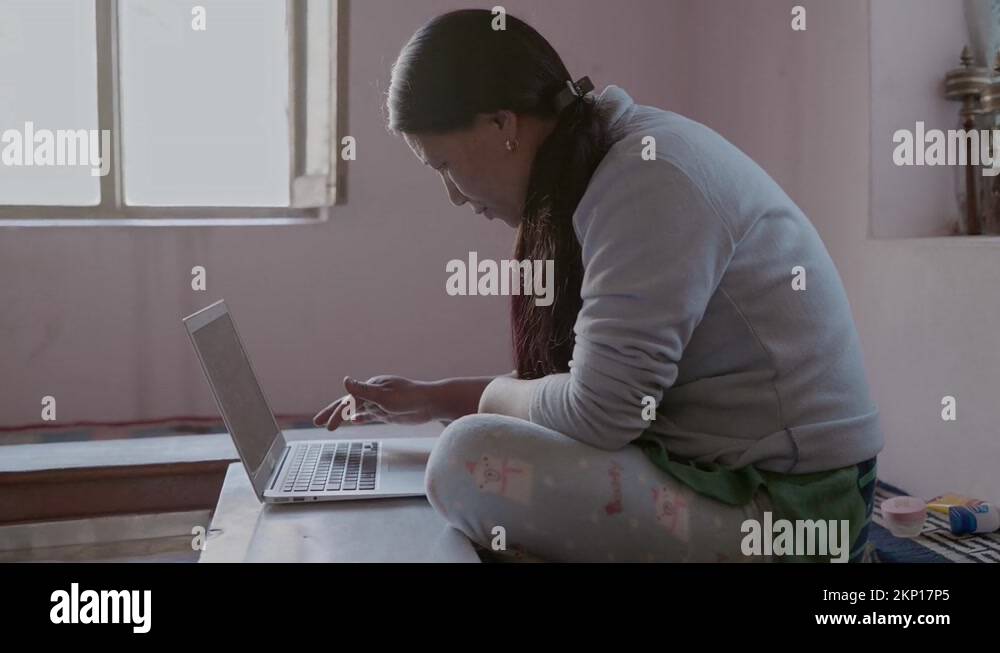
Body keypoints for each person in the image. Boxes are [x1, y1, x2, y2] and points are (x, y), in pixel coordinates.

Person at [312, 9, 882, 562]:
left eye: (442, 166)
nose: (454, 195)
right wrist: (431, 398)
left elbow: (601, 412)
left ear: (501, 124)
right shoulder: (609, 163)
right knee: (472, 454)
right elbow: (596, 391)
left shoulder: (646, 178)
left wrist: (474, 407)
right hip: (734, 474)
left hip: (798, 513)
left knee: (466, 458)